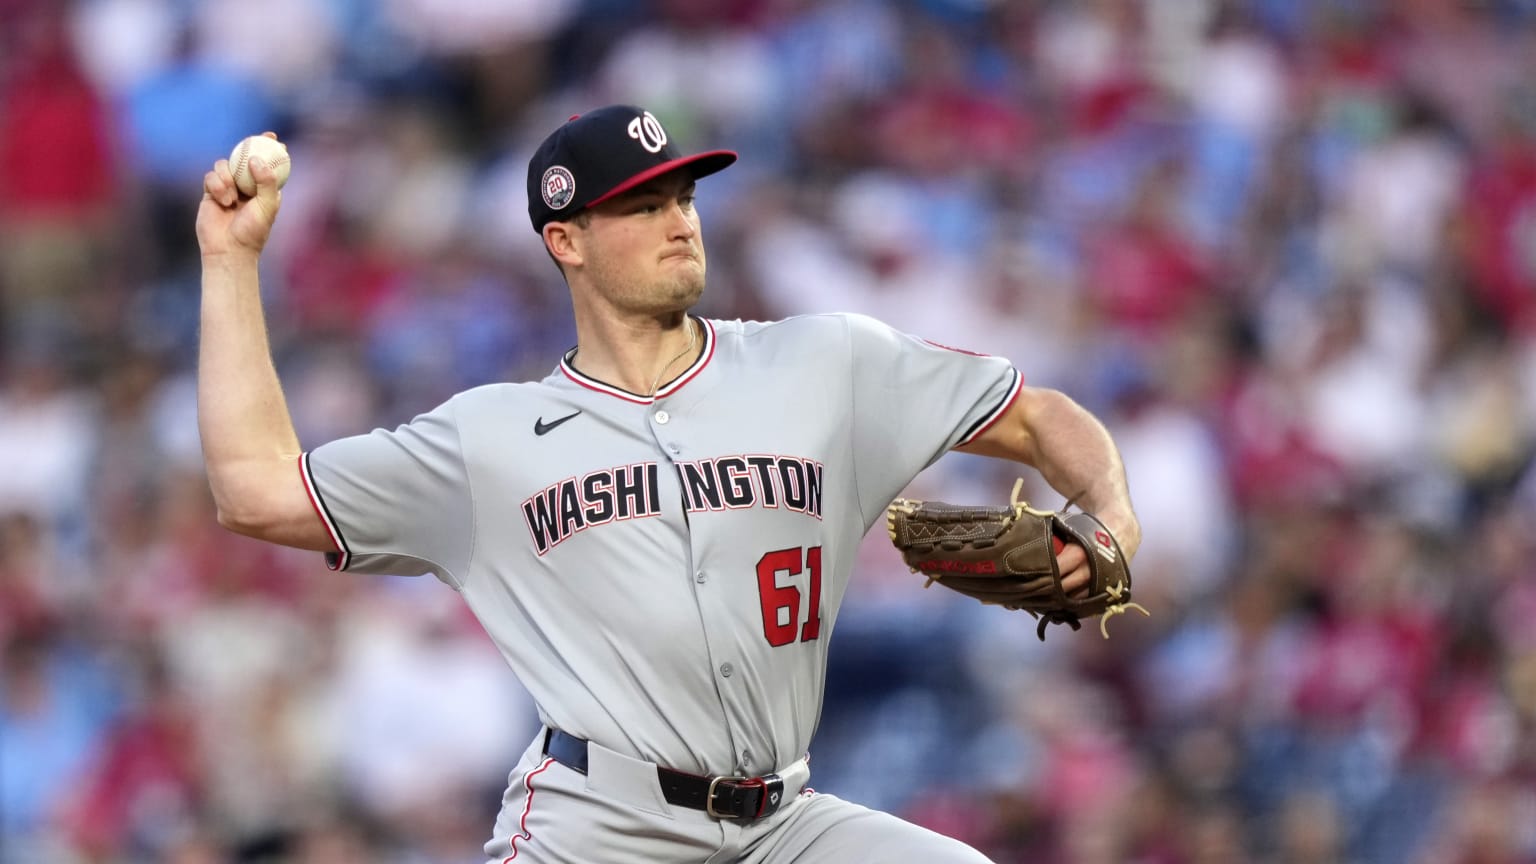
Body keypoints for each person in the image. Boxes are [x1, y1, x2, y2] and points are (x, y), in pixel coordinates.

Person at [195, 105, 1141, 863]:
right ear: (565, 241)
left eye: (683, 195)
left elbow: (1034, 415)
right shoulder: (489, 440)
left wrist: (1112, 515)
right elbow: (255, 490)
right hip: (597, 830)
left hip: (783, 824)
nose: (679, 220)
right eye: (641, 206)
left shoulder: (826, 363)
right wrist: (231, 262)